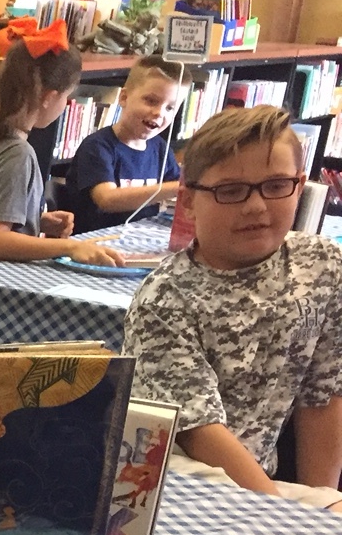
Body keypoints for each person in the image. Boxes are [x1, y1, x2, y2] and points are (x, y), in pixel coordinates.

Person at [123, 104, 342, 504]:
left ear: (301, 184)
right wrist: (290, 518)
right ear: (188, 201)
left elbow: (323, 395)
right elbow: (199, 431)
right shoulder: (165, 299)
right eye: (231, 191)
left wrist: (321, 501)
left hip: (265, 486)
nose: (257, 206)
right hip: (178, 482)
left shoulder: (322, 265)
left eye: (277, 185)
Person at [0, 18, 124, 269]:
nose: (64, 105)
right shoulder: (18, 155)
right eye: (66, 97)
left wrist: (35, 220)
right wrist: (71, 246)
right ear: (49, 97)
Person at [68, 55, 185, 233]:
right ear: (123, 98)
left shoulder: (160, 148)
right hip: (94, 244)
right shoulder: (98, 147)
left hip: (140, 238)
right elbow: (107, 200)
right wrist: (177, 187)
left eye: (170, 108)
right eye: (151, 101)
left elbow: (181, 194)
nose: (159, 113)